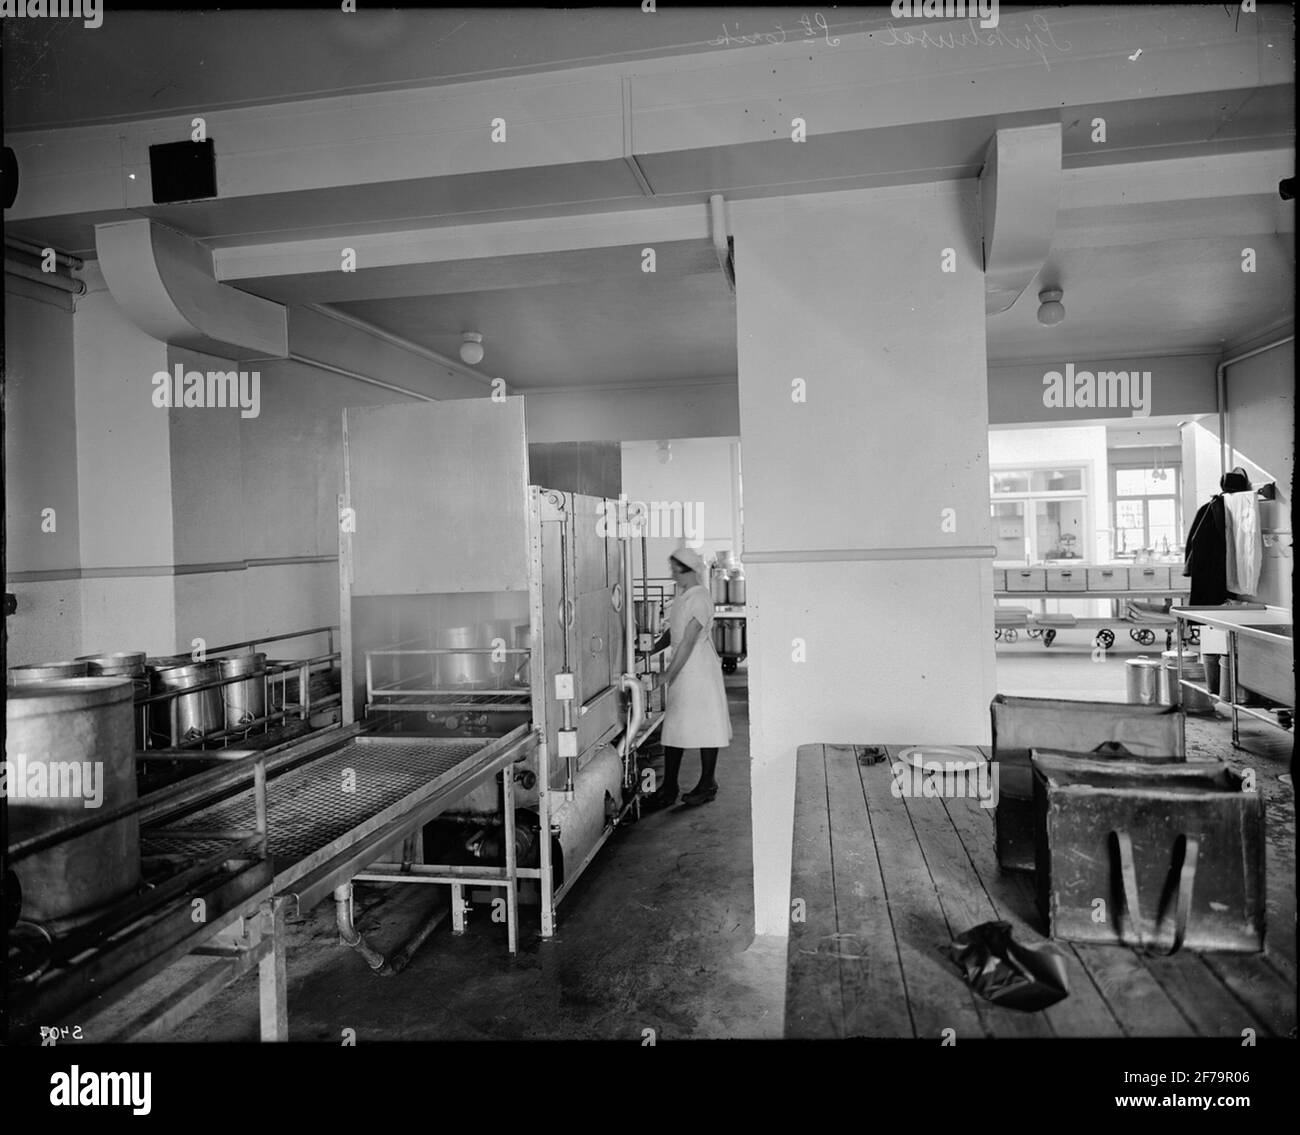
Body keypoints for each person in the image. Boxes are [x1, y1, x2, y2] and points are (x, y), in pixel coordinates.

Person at [642, 545, 733, 810]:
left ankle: (708, 784)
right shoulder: (682, 596)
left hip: (699, 669)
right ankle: (669, 787)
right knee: (674, 727)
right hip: (684, 670)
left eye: (675, 570)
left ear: (689, 571)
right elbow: (674, 635)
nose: (673, 575)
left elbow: (688, 641)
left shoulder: (700, 597)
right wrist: (647, 650)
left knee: (706, 726)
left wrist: (666, 675)